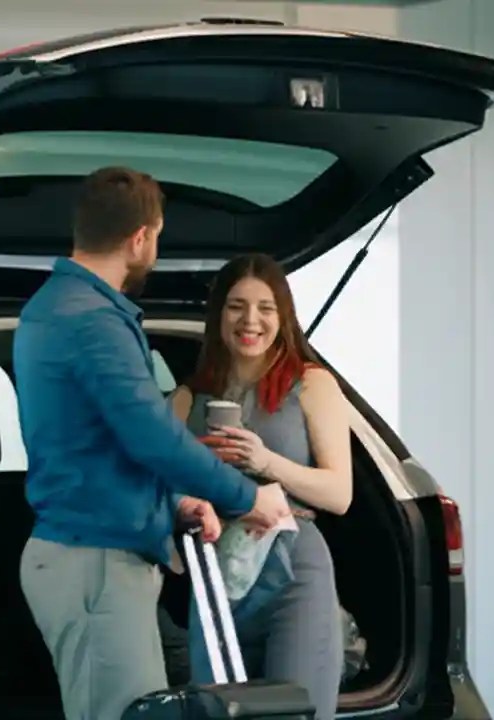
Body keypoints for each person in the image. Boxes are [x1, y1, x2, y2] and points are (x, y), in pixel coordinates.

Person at [14, 167, 292, 720]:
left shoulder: (55, 307)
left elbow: (101, 446)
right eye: (157, 237)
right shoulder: (94, 320)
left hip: (87, 552)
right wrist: (248, 497)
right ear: (140, 237)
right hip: (96, 563)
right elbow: (154, 438)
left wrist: (175, 503)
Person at [169, 253, 352, 720]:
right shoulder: (188, 397)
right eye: (236, 306)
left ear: (283, 316)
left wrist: (265, 461)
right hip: (214, 572)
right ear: (219, 316)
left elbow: (339, 494)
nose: (251, 320)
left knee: (297, 710)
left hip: (294, 566)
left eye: (266, 308)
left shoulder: (311, 385)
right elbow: (159, 487)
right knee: (216, 711)